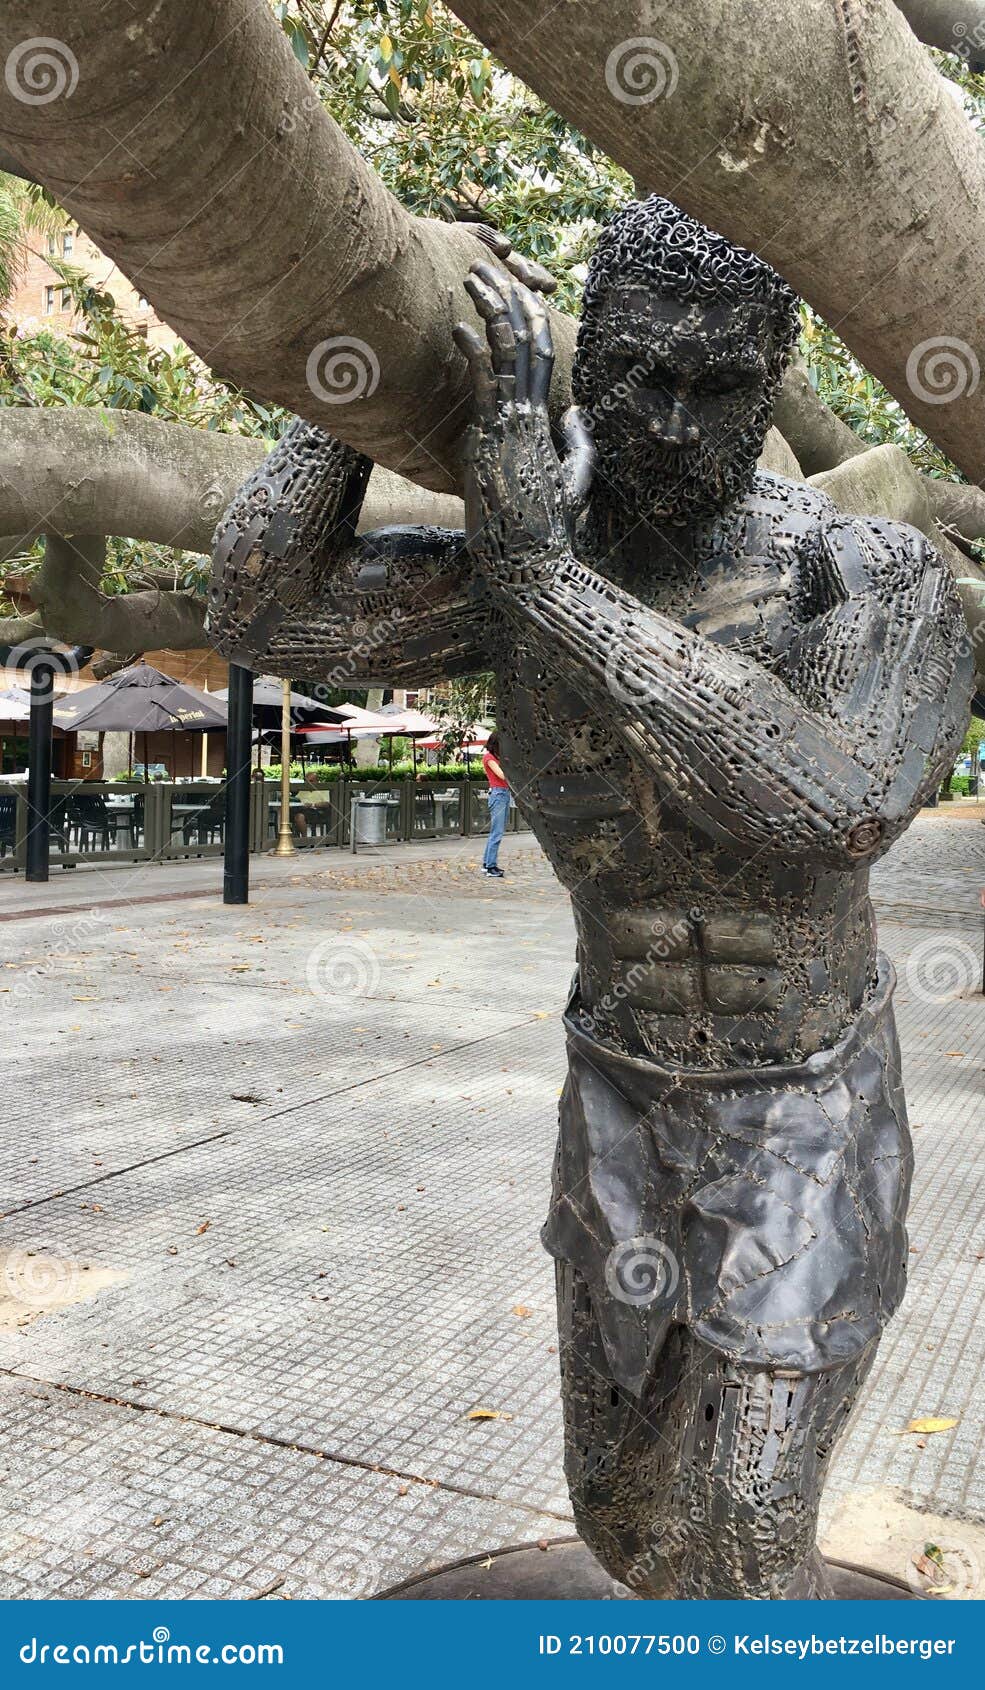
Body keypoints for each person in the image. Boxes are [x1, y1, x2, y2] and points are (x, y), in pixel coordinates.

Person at [209, 196, 970, 1598]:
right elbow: (262, 614)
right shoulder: (514, 571)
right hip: (619, 1092)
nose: (674, 421)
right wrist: (365, 382)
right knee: (624, 1518)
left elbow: (835, 799)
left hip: (805, 1101)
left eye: (719, 385)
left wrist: (547, 581)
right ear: (579, 357)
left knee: (744, 1537)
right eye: (637, 375)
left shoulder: (863, 573)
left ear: (774, 371)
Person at [480, 731, 510, 878]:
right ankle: (491, 866)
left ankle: (487, 864)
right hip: (498, 794)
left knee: (496, 831)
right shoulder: (489, 758)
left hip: (503, 794)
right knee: (496, 832)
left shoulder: (497, 758)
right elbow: (502, 775)